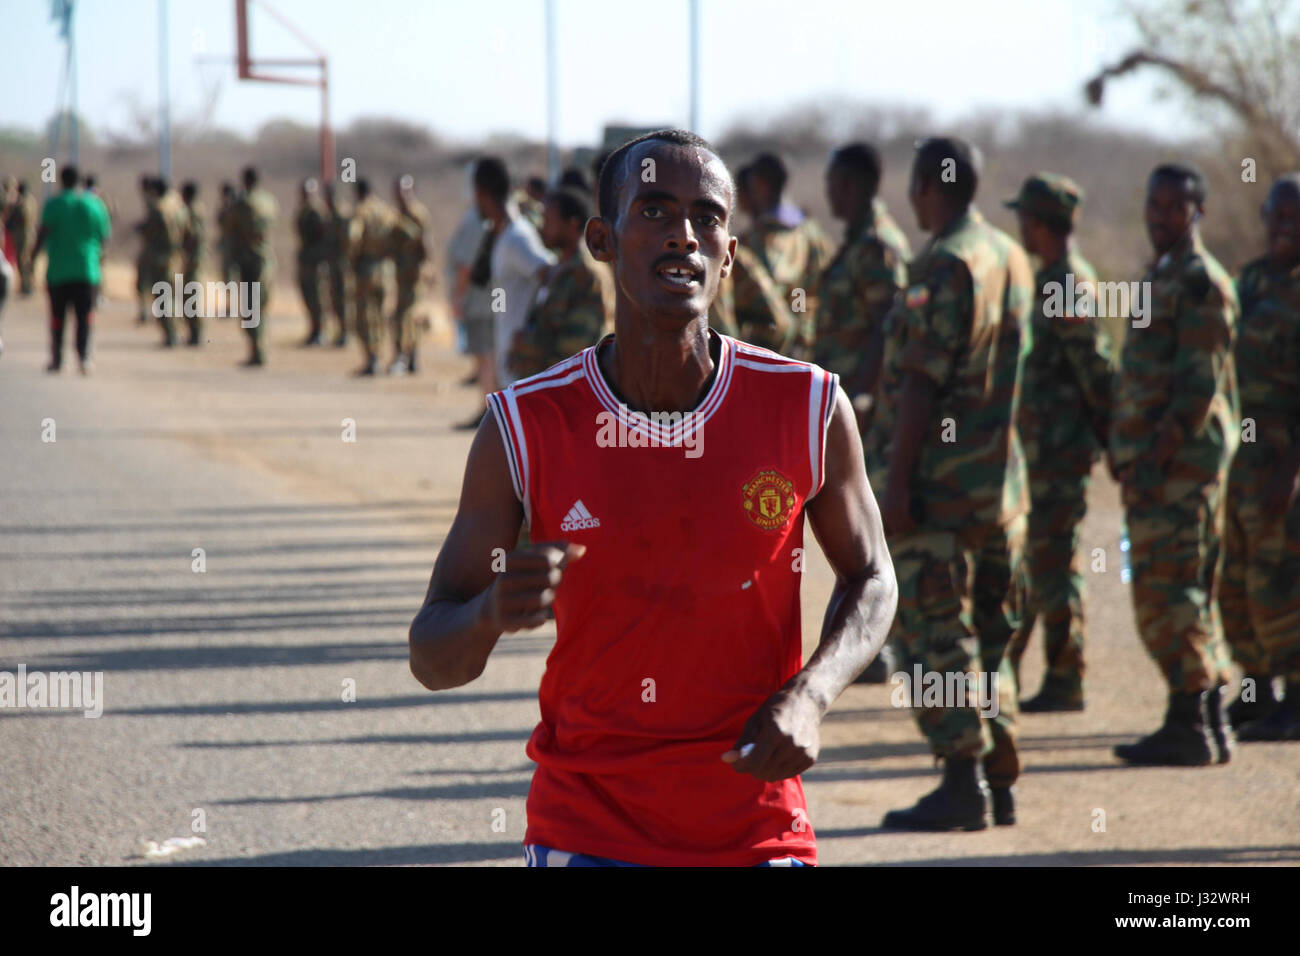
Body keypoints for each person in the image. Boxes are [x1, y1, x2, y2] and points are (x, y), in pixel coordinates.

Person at [408, 129, 897, 867]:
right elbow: (431, 656)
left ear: (730, 253)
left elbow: (874, 577)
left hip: (756, 827)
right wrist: (487, 613)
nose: (684, 237)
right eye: (656, 212)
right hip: (588, 828)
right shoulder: (524, 425)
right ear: (601, 239)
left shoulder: (807, 407)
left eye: (707, 218)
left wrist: (812, 694)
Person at [870, 137, 1033, 830]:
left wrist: (897, 484)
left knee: (938, 632)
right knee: (990, 636)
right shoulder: (1009, 255)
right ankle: (998, 780)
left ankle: (962, 779)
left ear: (929, 189)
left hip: (941, 487)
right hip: (1001, 486)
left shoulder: (944, 262)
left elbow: (918, 381)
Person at [1111, 163, 1240, 767]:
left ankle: (1190, 720)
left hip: (1179, 471)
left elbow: (1196, 392)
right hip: (1160, 466)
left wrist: (1150, 462)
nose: (1161, 216)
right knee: (1180, 592)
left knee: (1174, 591)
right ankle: (1203, 717)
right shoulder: (1162, 275)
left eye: (1174, 207)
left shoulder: (1200, 283)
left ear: (1198, 212)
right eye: (1154, 205)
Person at [1004, 174, 1114, 712]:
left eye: (1023, 216)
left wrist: (1110, 439)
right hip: (1041, 449)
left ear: (1039, 222)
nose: (1019, 227)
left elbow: (1095, 370)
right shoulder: (1051, 277)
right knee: (1041, 561)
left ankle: (1066, 678)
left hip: (1059, 451)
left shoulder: (1066, 283)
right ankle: (1045, 673)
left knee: (1055, 561)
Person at [1220, 173, 1300, 741]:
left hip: (1283, 463)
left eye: (1293, 218)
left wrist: (1291, 469)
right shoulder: (1248, 281)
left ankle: (1296, 697)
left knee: (1282, 579)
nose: (1282, 227)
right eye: (1276, 216)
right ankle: (1258, 690)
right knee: (1239, 579)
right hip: (1240, 460)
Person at [814, 141, 911, 429]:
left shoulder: (876, 244)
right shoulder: (858, 241)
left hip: (863, 406)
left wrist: (863, 394)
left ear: (847, 185)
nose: (827, 192)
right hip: (844, 395)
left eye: (830, 183)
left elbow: (887, 324)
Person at [506, 186, 611, 380]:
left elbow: (576, 352)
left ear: (572, 225)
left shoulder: (586, 275)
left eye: (548, 221)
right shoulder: (559, 270)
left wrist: (530, 352)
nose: (542, 227)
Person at [474, 156, 553, 401]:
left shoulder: (517, 237)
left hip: (523, 370)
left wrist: (532, 330)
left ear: (482, 192)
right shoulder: (504, 233)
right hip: (510, 366)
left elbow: (551, 276)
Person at [743, 152, 833, 359]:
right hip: (806, 340)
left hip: (768, 344)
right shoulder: (811, 232)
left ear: (761, 184)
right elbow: (806, 288)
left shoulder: (760, 238)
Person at [31, 165, 110, 373]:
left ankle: (57, 359)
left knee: (58, 316)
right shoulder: (95, 205)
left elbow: (42, 235)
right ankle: (84, 357)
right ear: (79, 181)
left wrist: (31, 260)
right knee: (85, 317)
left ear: (61, 180)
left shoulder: (54, 205)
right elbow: (104, 237)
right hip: (87, 270)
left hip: (58, 271)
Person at [347, 178, 397, 376]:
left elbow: (353, 238)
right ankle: (384, 353)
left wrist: (352, 259)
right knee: (381, 314)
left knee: (365, 316)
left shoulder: (361, 212)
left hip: (366, 271)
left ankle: (372, 358)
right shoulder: (387, 212)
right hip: (386, 269)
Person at [230, 166, 278, 367]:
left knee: (251, 307)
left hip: (249, 258)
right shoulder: (269, 201)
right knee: (261, 305)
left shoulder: (243, 203)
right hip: (266, 257)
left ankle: (257, 351)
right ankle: (260, 350)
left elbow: (229, 225)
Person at [389, 174, 430, 375]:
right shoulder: (395, 215)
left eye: (406, 190)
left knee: (410, 316)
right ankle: (405, 355)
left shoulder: (417, 213)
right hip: (399, 273)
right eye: (398, 190)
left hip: (413, 274)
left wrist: (427, 268)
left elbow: (425, 243)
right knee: (400, 315)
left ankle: (407, 357)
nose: (401, 194)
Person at [295, 177, 329, 347]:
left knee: (318, 298)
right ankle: (314, 330)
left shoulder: (317, 211)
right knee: (308, 296)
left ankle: (321, 331)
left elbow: (322, 238)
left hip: (316, 261)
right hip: (307, 260)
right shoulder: (304, 211)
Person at [322, 183, 352, 348]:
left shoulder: (342, 215)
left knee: (344, 300)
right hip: (333, 263)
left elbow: (349, 241)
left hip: (342, 264)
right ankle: (340, 331)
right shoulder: (330, 216)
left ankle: (346, 333)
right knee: (334, 299)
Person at [178, 181, 207, 346]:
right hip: (192, 258)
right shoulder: (195, 210)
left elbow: (194, 235)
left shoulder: (192, 212)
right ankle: (193, 333)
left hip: (193, 259)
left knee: (192, 295)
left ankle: (197, 334)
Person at [5, 181, 38, 295]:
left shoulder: (24, 201)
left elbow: (24, 216)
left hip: (24, 235)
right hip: (26, 234)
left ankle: (27, 285)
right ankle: (27, 285)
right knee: (24, 260)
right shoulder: (30, 200)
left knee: (23, 260)